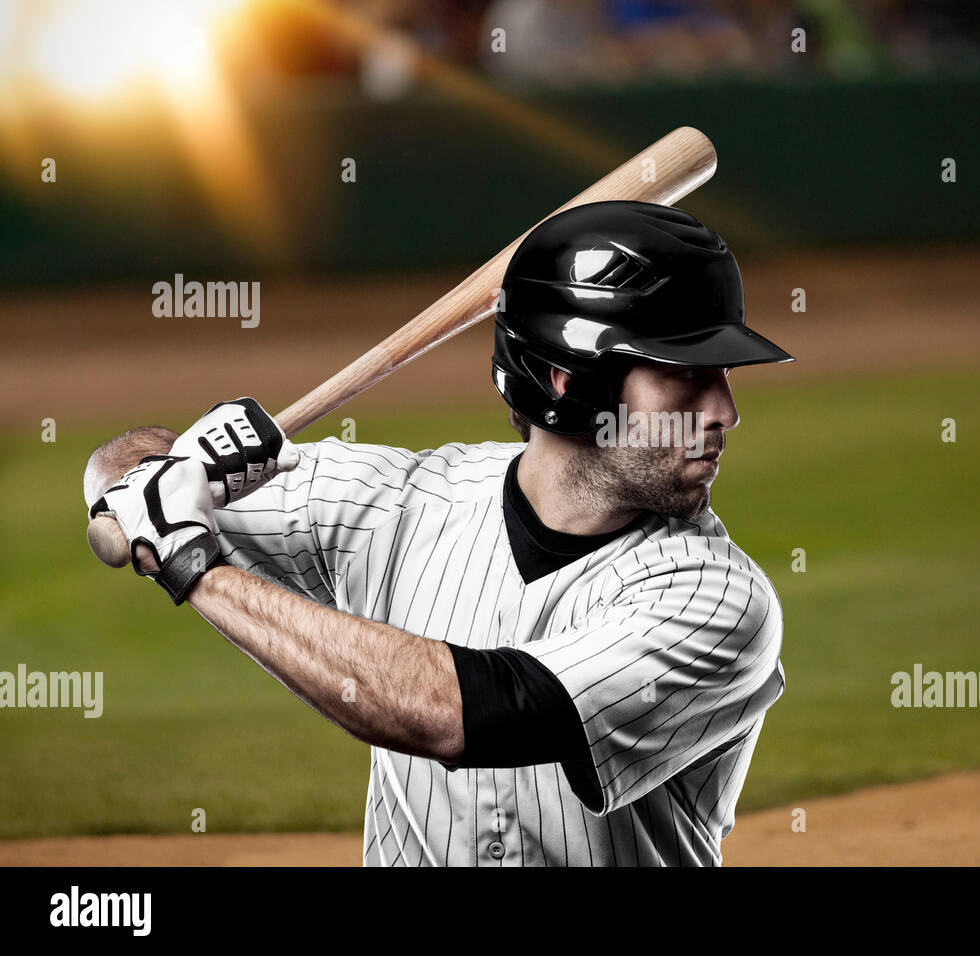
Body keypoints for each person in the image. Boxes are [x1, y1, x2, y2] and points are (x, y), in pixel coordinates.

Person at [88, 200, 794, 866]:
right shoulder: (395, 501)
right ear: (568, 380)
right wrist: (170, 468)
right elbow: (116, 478)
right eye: (687, 376)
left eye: (723, 374)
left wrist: (195, 567)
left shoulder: (719, 602)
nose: (725, 411)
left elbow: (448, 712)